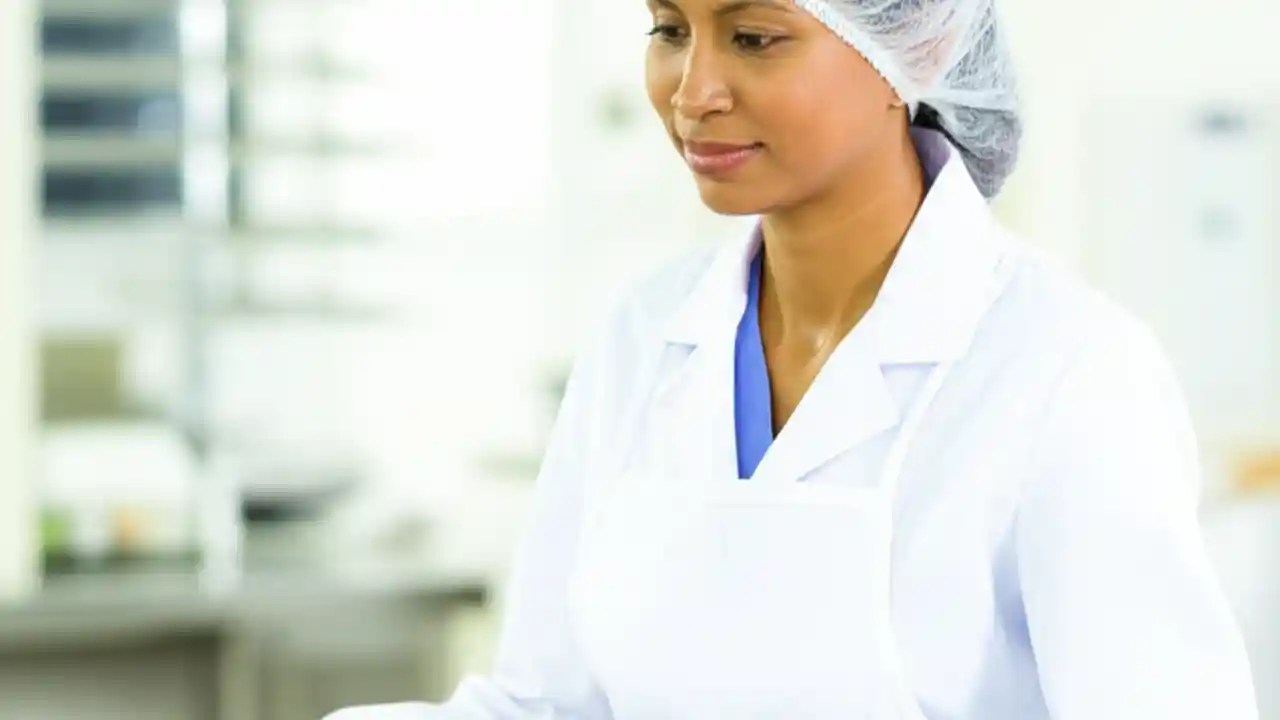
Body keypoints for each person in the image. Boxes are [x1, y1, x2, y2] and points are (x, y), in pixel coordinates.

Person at [327, 0, 1258, 717]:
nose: (693, 91)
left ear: (914, 51)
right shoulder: (641, 341)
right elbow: (552, 706)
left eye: (754, 37)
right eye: (668, 29)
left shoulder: (1065, 369)